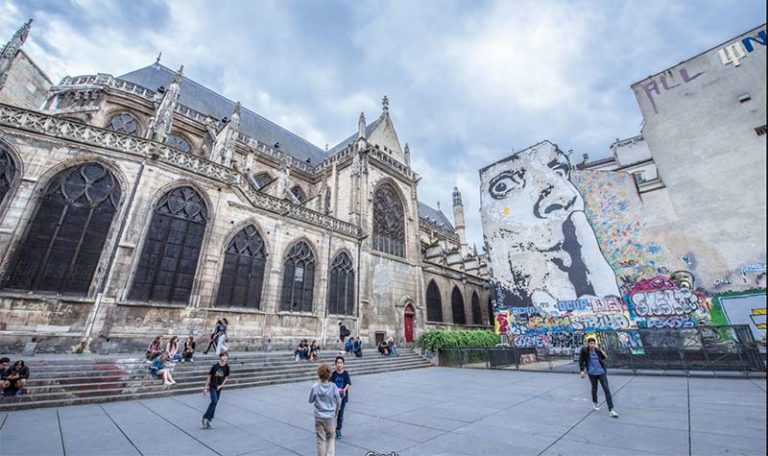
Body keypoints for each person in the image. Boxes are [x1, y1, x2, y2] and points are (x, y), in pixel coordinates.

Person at [579, 338, 619, 418]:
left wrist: (603, 353)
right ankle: (595, 402)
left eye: (593, 343)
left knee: (606, 389)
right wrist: (582, 370)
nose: (592, 345)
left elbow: (603, 358)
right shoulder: (584, 350)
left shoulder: (597, 350)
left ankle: (611, 409)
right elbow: (581, 360)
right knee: (594, 388)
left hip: (601, 372)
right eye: (591, 343)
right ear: (588, 344)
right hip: (592, 373)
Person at [309, 363, 341, 456]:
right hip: (329, 416)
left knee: (321, 440)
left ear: (319, 374)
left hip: (319, 416)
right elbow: (338, 400)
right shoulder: (333, 386)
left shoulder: (315, 386)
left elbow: (310, 400)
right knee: (331, 437)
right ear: (329, 374)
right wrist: (337, 411)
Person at [202, 351, 230, 429]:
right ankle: (205, 417)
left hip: (219, 387)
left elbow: (226, 377)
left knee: (215, 403)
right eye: (223, 356)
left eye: (226, 356)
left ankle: (209, 420)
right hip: (212, 386)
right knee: (214, 401)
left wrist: (221, 385)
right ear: (220, 357)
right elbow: (209, 377)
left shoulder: (227, 367)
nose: (225, 357)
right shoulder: (215, 366)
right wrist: (205, 388)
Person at [330, 356, 351, 439]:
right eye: (338, 363)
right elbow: (330, 384)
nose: (339, 364)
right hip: (334, 398)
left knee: (340, 415)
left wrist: (344, 390)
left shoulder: (345, 373)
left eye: (341, 363)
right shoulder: (333, 374)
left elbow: (348, 383)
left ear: (343, 364)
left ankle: (338, 430)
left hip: (342, 397)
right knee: (332, 414)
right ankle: (330, 430)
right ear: (335, 364)